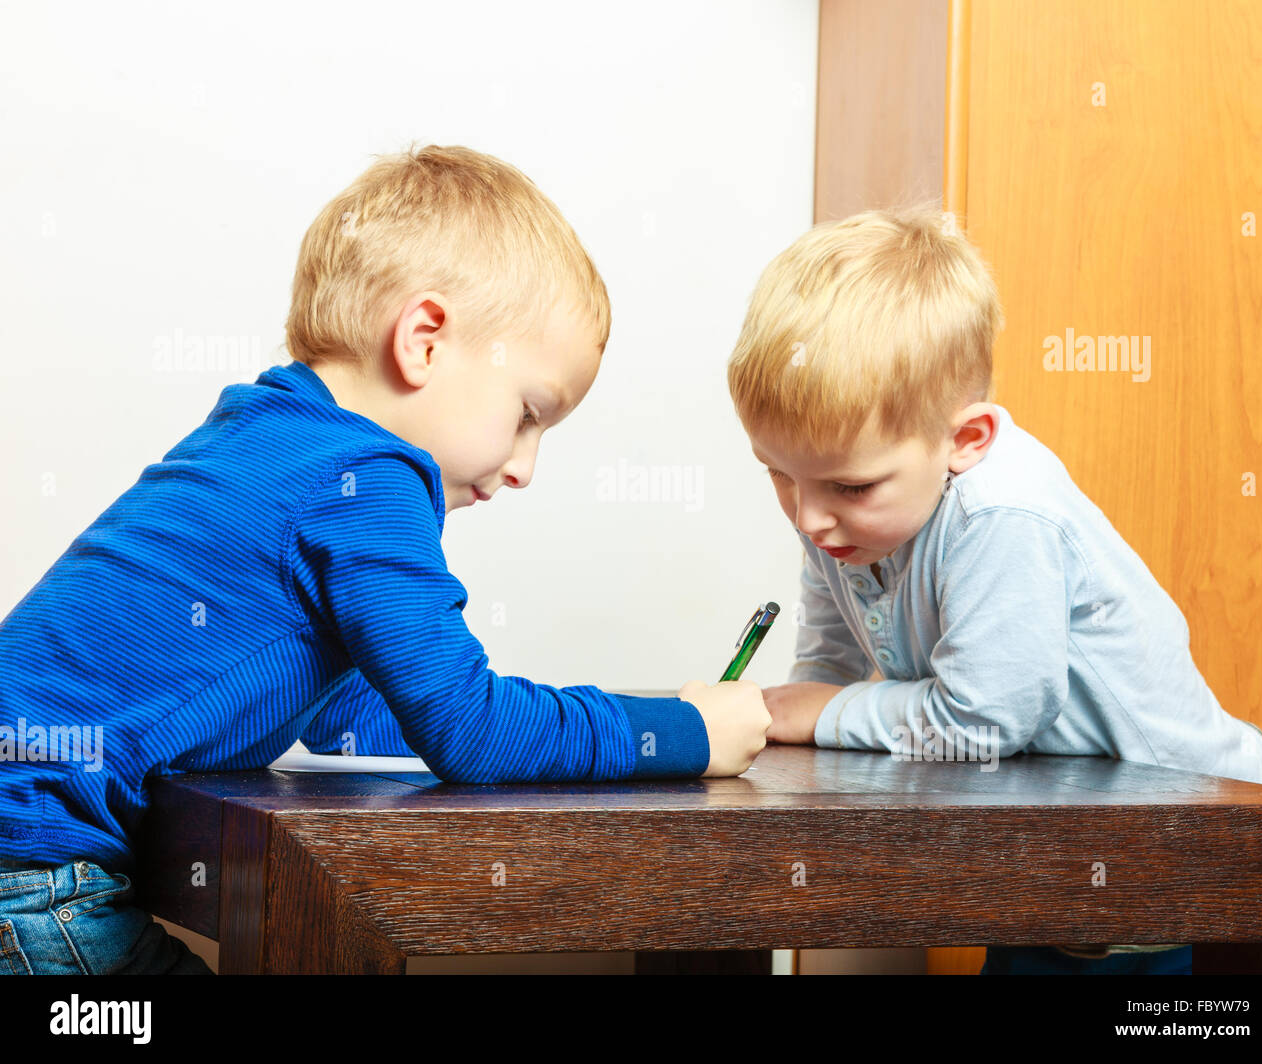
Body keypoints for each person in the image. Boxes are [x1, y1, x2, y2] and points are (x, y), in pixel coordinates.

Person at [0, 144, 770, 975]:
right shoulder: (365, 474)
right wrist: (685, 732)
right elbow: (469, 729)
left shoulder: (272, 434)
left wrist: (497, 713)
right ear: (425, 341)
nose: (524, 467)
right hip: (36, 875)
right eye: (526, 415)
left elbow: (357, 712)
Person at [726, 203, 1262, 975]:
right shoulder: (841, 518)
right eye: (779, 475)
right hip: (1054, 854)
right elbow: (826, 668)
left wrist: (824, 713)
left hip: (1179, 850)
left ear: (965, 440)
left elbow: (981, 724)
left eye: (849, 485)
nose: (810, 517)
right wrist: (761, 721)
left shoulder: (1003, 515)